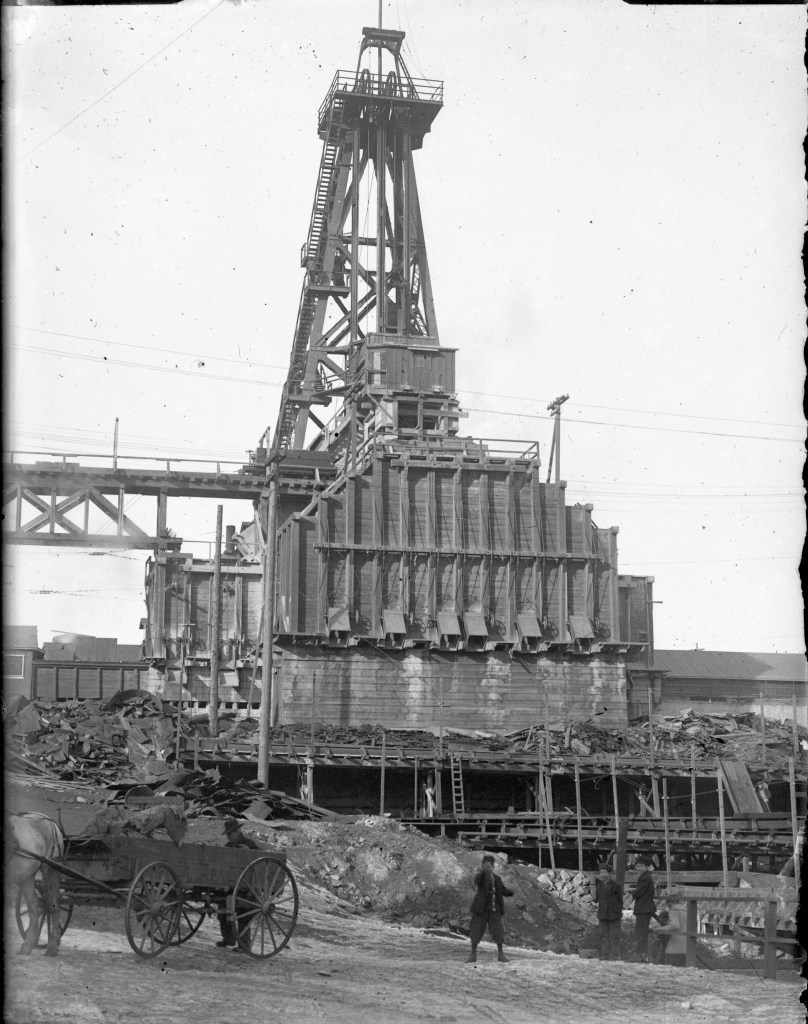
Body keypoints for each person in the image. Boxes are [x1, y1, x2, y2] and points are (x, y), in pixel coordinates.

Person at [216, 818, 260, 950]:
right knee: (223, 908)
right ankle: (228, 939)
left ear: (238, 831)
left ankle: (244, 945)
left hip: (248, 887)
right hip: (230, 886)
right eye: (228, 834)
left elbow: (263, 856)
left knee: (243, 912)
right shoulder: (228, 847)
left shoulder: (249, 844)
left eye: (231, 833)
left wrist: (250, 852)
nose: (229, 836)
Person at [467, 854, 514, 963]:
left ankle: (501, 954)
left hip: (494, 910)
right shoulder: (481, 877)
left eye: (489, 865)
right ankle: (473, 954)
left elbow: (502, 890)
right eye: (485, 865)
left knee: (498, 931)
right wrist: (484, 872)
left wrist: (510, 892)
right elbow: (477, 881)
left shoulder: (497, 879)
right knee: (476, 930)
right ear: (483, 866)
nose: (488, 867)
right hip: (481, 910)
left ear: (493, 866)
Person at [627, 857, 656, 962]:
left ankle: (639, 955)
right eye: (638, 866)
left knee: (641, 932)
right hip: (644, 907)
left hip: (644, 907)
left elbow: (640, 891)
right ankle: (642, 955)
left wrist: (631, 895)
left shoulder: (645, 877)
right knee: (641, 932)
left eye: (641, 866)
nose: (639, 868)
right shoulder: (646, 876)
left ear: (647, 867)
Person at [595, 862, 623, 961]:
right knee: (603, 935)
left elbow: (619, 901)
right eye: (601, 872)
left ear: (609, 874)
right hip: (602, 914)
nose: (603, 874)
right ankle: (605, 954)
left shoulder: (616, 886)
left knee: (614, 935)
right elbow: (598, 899)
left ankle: (615, 954)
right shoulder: (599, 886)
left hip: (613, 914)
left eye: (605, 872)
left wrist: (618, 912)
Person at [649, 898, 687, 966]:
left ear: (669, 903)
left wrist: (657, 929)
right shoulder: (686, 911)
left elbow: (674, 926)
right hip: (685, 949)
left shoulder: (673, 911)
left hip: (672, 950)